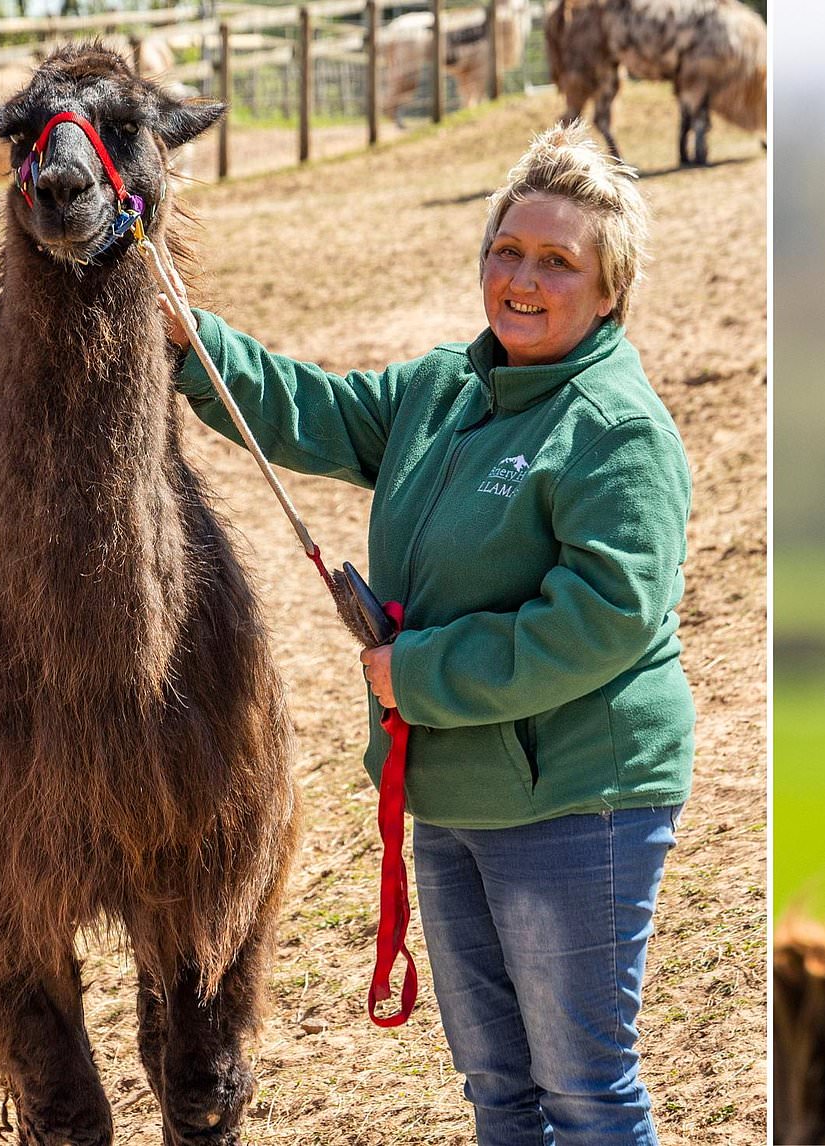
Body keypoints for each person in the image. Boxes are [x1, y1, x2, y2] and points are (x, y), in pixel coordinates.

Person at [160, 125, 693, 1145]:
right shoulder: (445, 389)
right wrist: (198, 343)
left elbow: (606, 619)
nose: (523, 279)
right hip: (452, 789)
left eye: (557, 261)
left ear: (610, 290)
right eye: (507, 251)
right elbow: (311, 408)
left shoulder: (617, 433)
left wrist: (421, 673)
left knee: (585, 1089)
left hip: (577, 800)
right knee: (498, 1086)